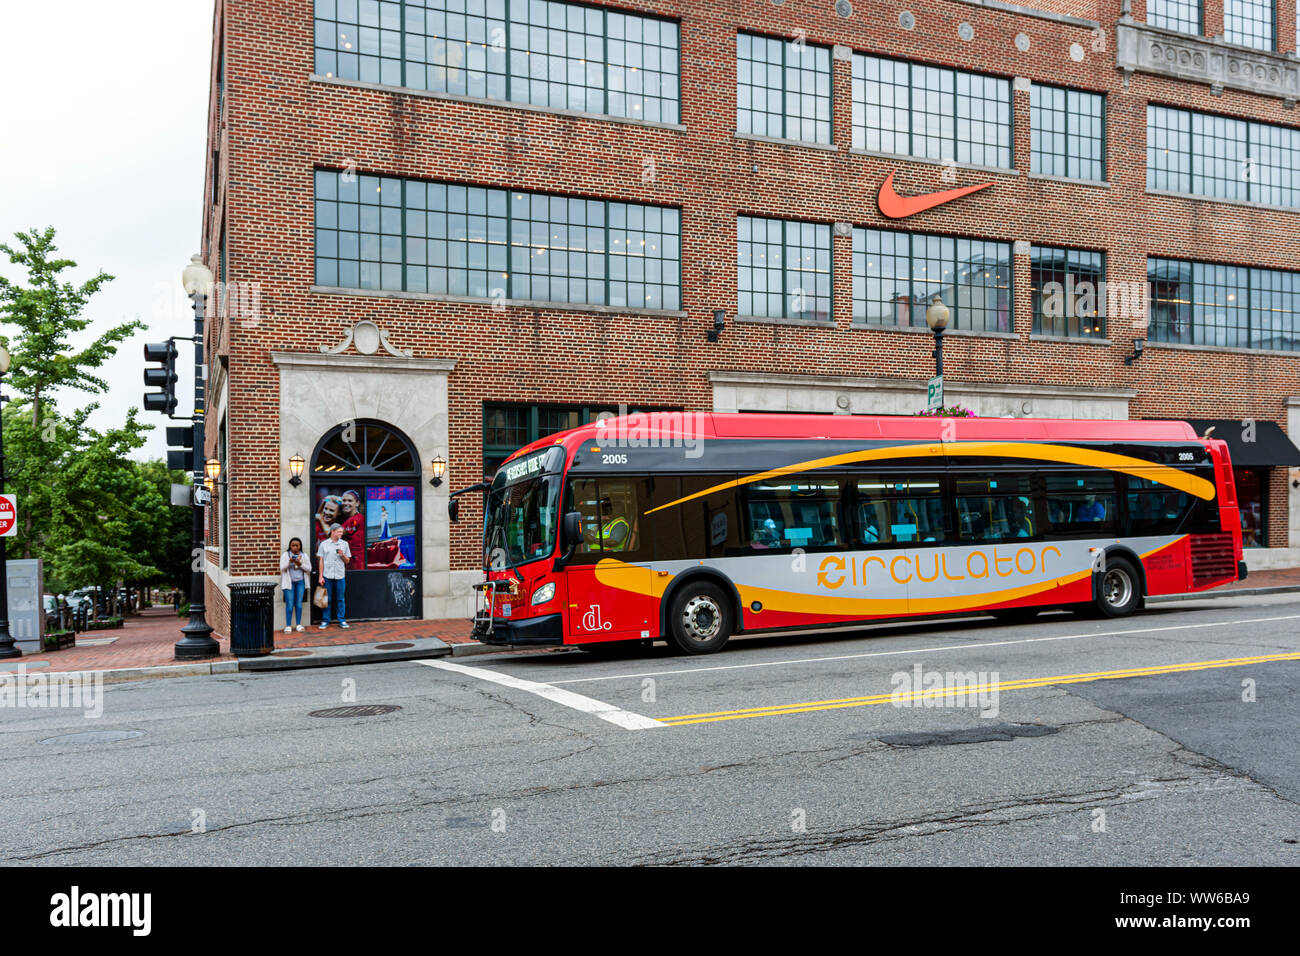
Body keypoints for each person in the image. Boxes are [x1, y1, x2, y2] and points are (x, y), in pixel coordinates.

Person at [316, 523, 351, 629]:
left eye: (341, 531)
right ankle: (326, 620)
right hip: (327, 576)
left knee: (340, 599)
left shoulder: (344, 544)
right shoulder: (324, 544)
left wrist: (342, 555)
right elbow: (321, 561)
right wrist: (320, 576)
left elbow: (347, 561)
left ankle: (342, 620)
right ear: (333, 531)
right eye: (339, 531)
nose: (341, 533)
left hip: (340, 576)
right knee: (327, 599)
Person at [279, 537, 311, 633]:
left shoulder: (304, 555)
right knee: (289, 604)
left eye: (297, 545)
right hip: (289, 583)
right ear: (290, 546)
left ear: (300, 546)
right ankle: (288, 625)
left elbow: (309, 569)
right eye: (293, 545)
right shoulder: (285, 555)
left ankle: (298, 624)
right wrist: (290, 562)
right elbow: (282, 568)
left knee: (299, 604)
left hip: (300, 583)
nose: (295, 547)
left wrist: (299, 563)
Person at [339, 490, 366, 568]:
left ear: (357, 503)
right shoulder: (350, 519)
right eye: (344, 500)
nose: (346, 503)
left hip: (356, 563)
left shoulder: (356, 519)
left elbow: (333, 534)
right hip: (351, 561)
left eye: (350, 501)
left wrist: (320, 519)